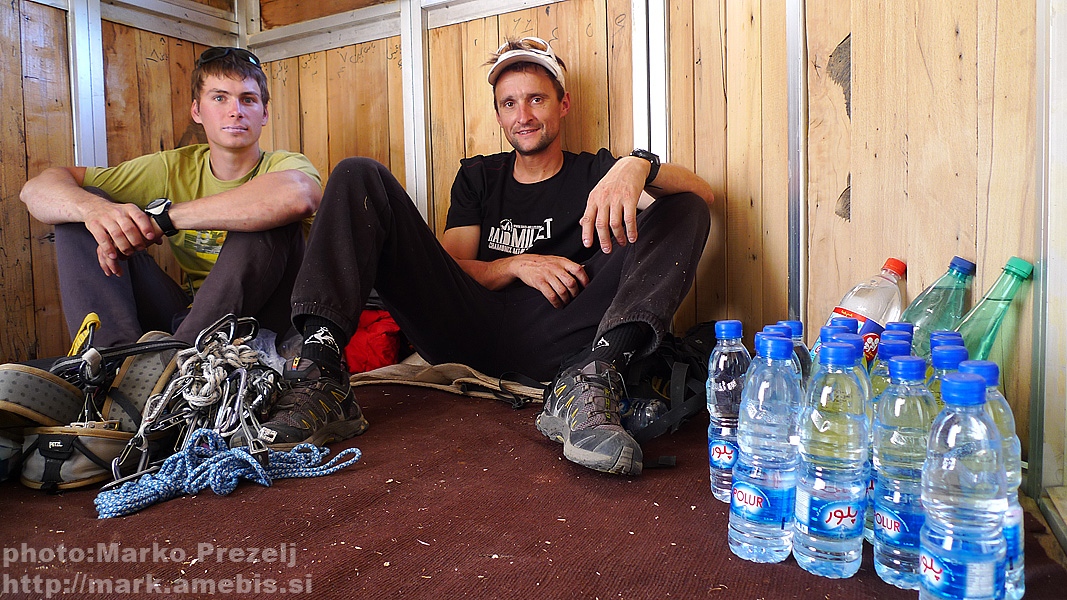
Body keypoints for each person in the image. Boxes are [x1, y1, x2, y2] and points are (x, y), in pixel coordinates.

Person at [254, 37, 714, 476]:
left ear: (563, 104)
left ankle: (595, 376)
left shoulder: (597, 170)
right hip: (465, 325)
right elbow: (454, 266)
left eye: (537, 99)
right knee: (358, 174)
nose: (524, 115)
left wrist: (638, 165)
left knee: (685, 207)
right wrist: (514, 264)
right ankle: (321, 372)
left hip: (560, 335)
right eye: (509, 103)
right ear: (498, 114)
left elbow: (703, 194)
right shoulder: (478, 177)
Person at [20, 47, 322, 348]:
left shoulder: (285, 165)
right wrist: (93, 210)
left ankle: (178, 364)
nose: (235, 110)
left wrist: (164, 219)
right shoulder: (172, 167)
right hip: (190, 316)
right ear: (197, 111)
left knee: (267, 217)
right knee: (82, 213)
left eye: (248, 99)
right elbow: (36, 189)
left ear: (264, 113)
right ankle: (113, 367)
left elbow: (299, 196)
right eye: (219, 97)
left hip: (268, 318)